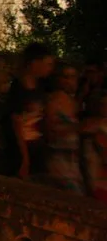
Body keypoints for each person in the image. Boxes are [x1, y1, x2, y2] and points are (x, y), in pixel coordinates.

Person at [1, 42, 55, 179]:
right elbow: (16, 123)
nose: (50, 69)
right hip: (22, 148)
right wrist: (24, 159)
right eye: (47, 64)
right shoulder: (19, 88)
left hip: (37, 145)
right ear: (35, 63)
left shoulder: (42, 85)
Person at [45, 64, 84, 193]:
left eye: (72, 77)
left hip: (73, 161)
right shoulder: (54, 101)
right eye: (65, 77)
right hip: (59, 161)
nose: (69, 81)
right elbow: (49, 131)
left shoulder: (74, 102)